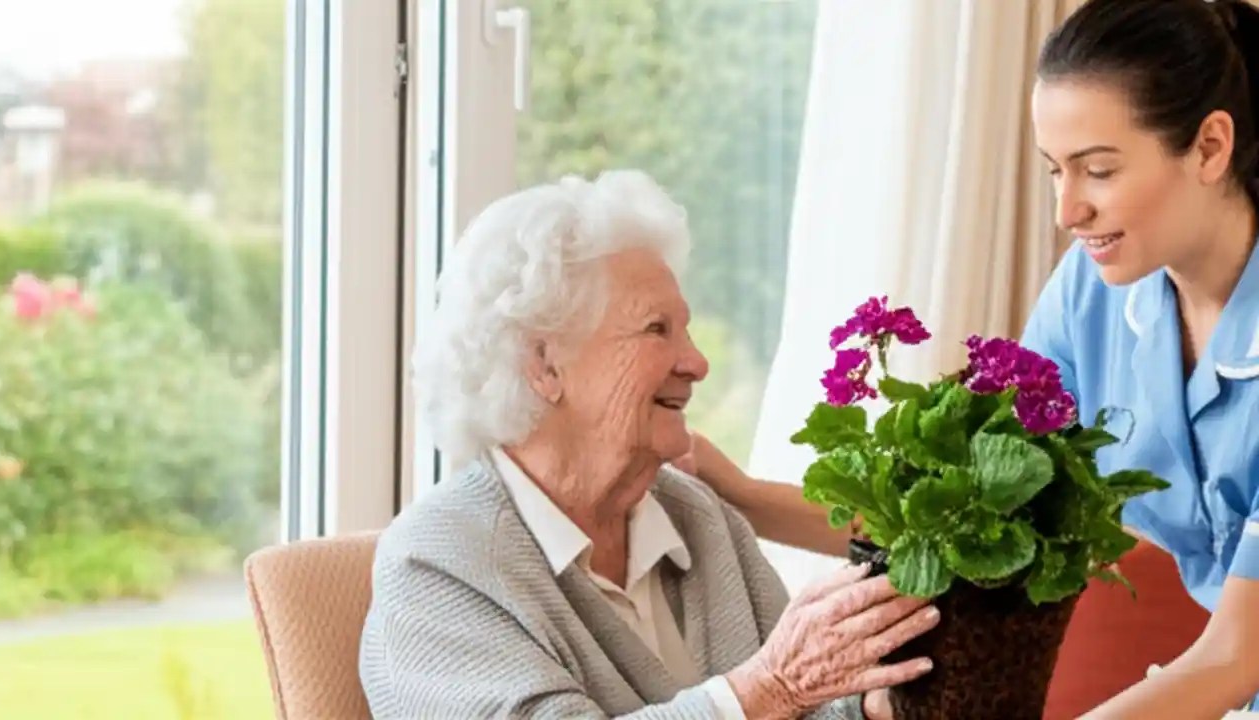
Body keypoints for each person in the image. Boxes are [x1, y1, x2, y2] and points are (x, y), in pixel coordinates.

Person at [691, 0, 1259, 717]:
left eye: (1100, 170)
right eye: (1056, 171)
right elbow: (963, 515)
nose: (1068, 211)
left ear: (1210, 147)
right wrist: (737, 494)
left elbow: (1236, 657)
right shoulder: (1095, 296)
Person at [358, 170, 939, 719]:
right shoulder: (436, 567)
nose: (697, 362)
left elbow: (803, 706)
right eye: (656, 329)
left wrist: (866, 704)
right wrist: (766, 690)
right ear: (544, 364)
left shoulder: (698, 518)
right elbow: (775, 692)